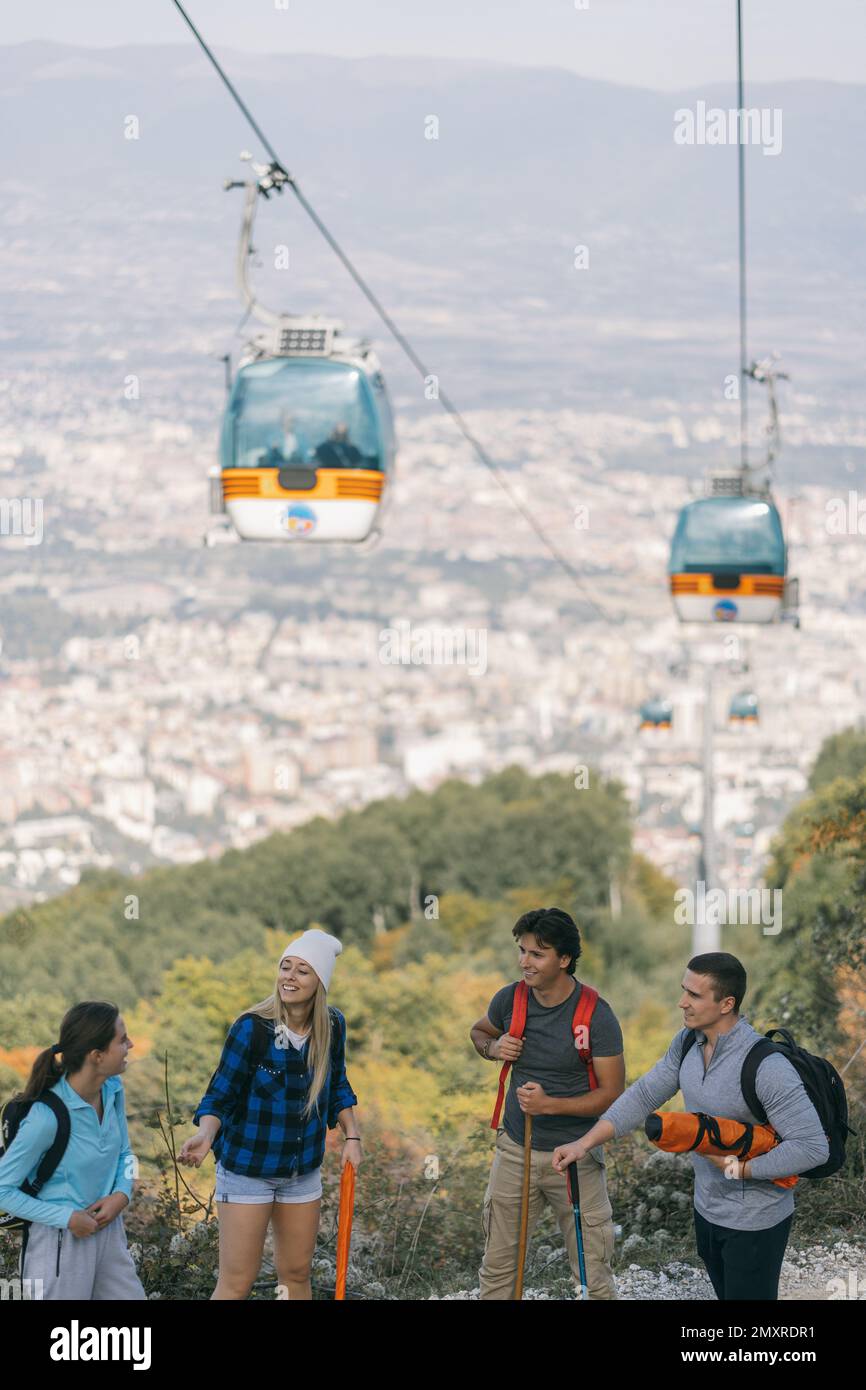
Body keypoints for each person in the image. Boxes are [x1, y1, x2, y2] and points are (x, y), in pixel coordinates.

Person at [552, 952, 830, 1301]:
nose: (682, 1002)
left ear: (727, 1003)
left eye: (694, 995)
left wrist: (741, 1169)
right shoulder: (687, 1043)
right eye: (684, 990)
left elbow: (812, 1146)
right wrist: (584, 1143)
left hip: (756, 1221)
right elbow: (643, 1096)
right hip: (707, 1209)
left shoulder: (766, 1067)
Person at [179, 929, 360, 1301]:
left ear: (320, 982)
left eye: (302, 970)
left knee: (296, 1275)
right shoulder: (252, 1028)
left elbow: (338, 1085)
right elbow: (219, 1096)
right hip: (248, 1170)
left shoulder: (332, 1026)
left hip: (301, 1171)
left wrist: (352, 1137)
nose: (289, 977)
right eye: (285, 967)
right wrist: (206, 1135)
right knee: (237, 1282)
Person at [469, 907, 625, 1299]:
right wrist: (493, 1047)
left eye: (537, 954)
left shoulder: (596, 1015)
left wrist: (549, 1105)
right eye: (522, 951)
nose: (525, 961)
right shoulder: (510, 1000)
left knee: (592, 1273)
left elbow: (611, 1094)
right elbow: (479, 1032)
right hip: (514, 1149)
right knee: (498, 1270)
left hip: (575, 1154)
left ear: (565, 959)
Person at [0, 1001, 144, 1300]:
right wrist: (67, 1218)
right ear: (97, 1056)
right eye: (122, 1039)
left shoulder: (113, 1088)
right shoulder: (45, 1118)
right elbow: (3, 1190)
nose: (130, 1044)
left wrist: (122, 1194)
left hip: (110, 1235)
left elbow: (127, 1155)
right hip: (58, 1243)